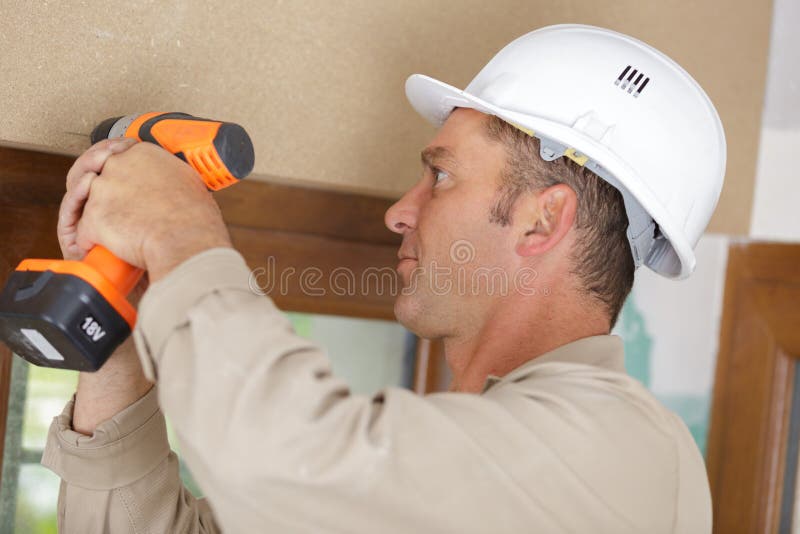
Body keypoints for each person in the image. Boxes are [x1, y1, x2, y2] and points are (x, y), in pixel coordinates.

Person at [42, 24, 725, 533]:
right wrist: (117, 326)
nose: (401, 212)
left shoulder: (624, 454)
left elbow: (278, 456)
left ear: (541, 222)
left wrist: (179, 230)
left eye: (441, 175)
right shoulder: (456, 471)